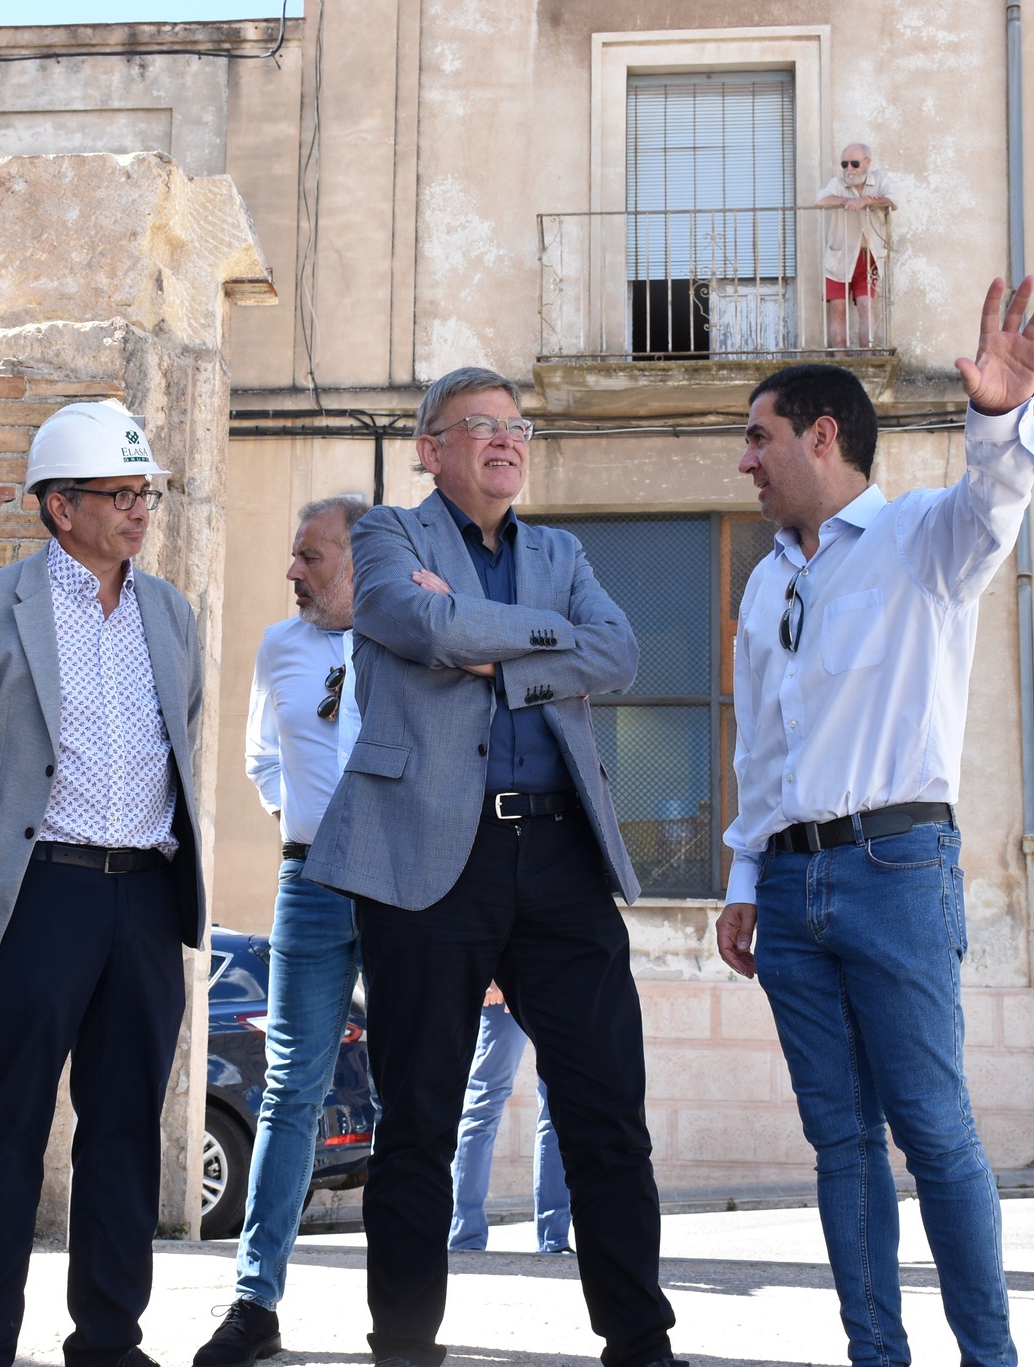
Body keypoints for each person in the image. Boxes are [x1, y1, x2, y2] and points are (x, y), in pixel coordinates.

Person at [712, 279, 1034, 1367]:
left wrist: (998, 414)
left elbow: (995, 497)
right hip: (788, 878)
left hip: (894, 863)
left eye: (757, 437)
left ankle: (986, 1356)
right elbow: (761, 749)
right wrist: (739, 880)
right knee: (837, 1142)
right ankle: (877, 1353)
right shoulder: (765, 580)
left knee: (933, 1130)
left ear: (822, 436)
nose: (745, 459)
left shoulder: (924, 538)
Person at [304, 367, 679, 1367]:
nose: (505, 441)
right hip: (428, 851)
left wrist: (491, 650)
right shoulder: (387, 535)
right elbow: (416, 622)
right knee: (417, 1117)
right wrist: (537, 641)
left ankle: (639, 1338)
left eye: (515, 426)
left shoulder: (558, 548)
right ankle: (405, 1343)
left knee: (605, 1109)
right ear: (430, 449)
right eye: (479, 426)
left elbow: (621, 655)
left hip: (559, 849)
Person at [0, 400, 206, 1367]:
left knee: (124, 1132)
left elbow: (182, 733)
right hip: (44, 891)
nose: (137, 510)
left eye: (144, 492)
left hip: (148, 897)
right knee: (6, 1126)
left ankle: (110, 1340)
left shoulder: (170, 611)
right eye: (117, 494)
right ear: (57, 506)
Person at [191, 494, 367, 1367]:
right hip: (309, 881)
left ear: (359, 563)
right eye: (294, 556)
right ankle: (254, 1300)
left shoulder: (410, 643)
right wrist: (293, 815)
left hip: (404, 886)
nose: (292, 572)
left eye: (310, 557)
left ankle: (407, 1310)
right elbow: (263, 752)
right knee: (291, 1085)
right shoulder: (278, 648)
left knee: (417, 1083)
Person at [447, 984, 570, 1255]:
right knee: (485, 1101)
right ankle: (465, 1237)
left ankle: (554, 1239)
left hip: (556, 981)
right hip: (506, 984)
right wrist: (492, 974)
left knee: (558, 1107)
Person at [815, 144, 897, 350]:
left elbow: (893, 202)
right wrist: (847, 200)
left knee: (865, 307)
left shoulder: (880, 180)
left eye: (854, 163)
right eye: (844, 164)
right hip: (840, 255)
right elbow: (821, 200)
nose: (849, 169)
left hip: (867, 257)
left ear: (867, 163)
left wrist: (866, 201)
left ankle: (866, 360)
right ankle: (840, 364)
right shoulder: (837, 183)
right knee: (838, 310)